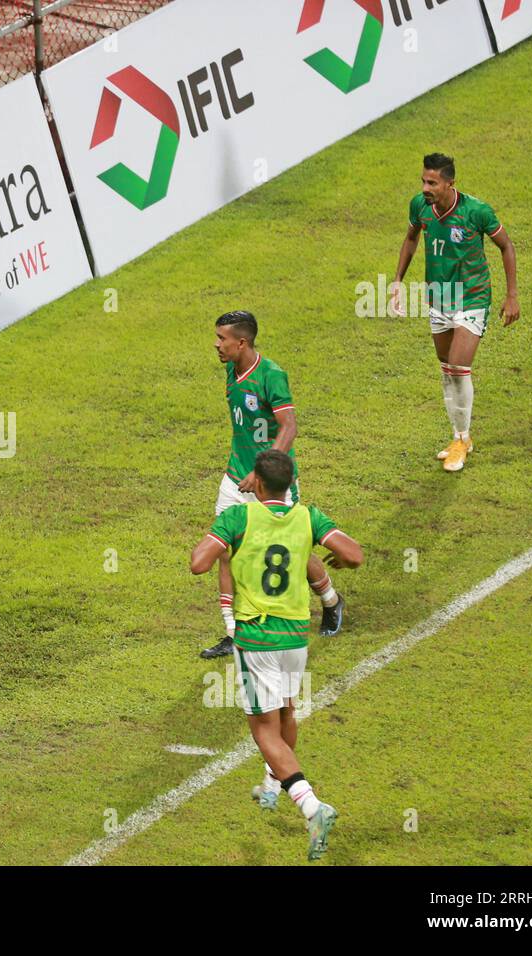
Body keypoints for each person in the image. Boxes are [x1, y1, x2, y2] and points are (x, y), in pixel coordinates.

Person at [189, 450, 362, 860]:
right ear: (290, 484)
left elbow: (198, 564)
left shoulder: (239, 518)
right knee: (285, 709)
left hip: (257, 637)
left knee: (263, 729)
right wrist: (330, 556)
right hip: (296, 636)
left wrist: (225, 542)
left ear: (258, 484)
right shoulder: (307, 516)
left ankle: (311, 805)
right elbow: (353, 555)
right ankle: (272, 782)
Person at [201, 310, 343, 660]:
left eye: (222, 338)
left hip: (274, 482)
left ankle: (331, 600)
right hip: (235, 477)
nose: (217, 344)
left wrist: (263, 472)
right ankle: (234, 633)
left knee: (291, 547)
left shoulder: (271, 376)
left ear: (242, 341)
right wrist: (245, 470)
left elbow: (289, 426)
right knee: (225, 550)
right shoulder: (231, 370)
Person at [390, 152, 519, 472]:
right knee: (447, 369)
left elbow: (506, 246)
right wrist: (397, 281)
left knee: (459, 367)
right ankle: (459, 437)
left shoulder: (476, 211)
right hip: (440, 298)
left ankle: (461, 440)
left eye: (432, 182)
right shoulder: (419, 207)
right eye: (423, 180)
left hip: (472, 298)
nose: (425, 187)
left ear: (450, 183)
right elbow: (410, 239)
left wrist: (511, 295)